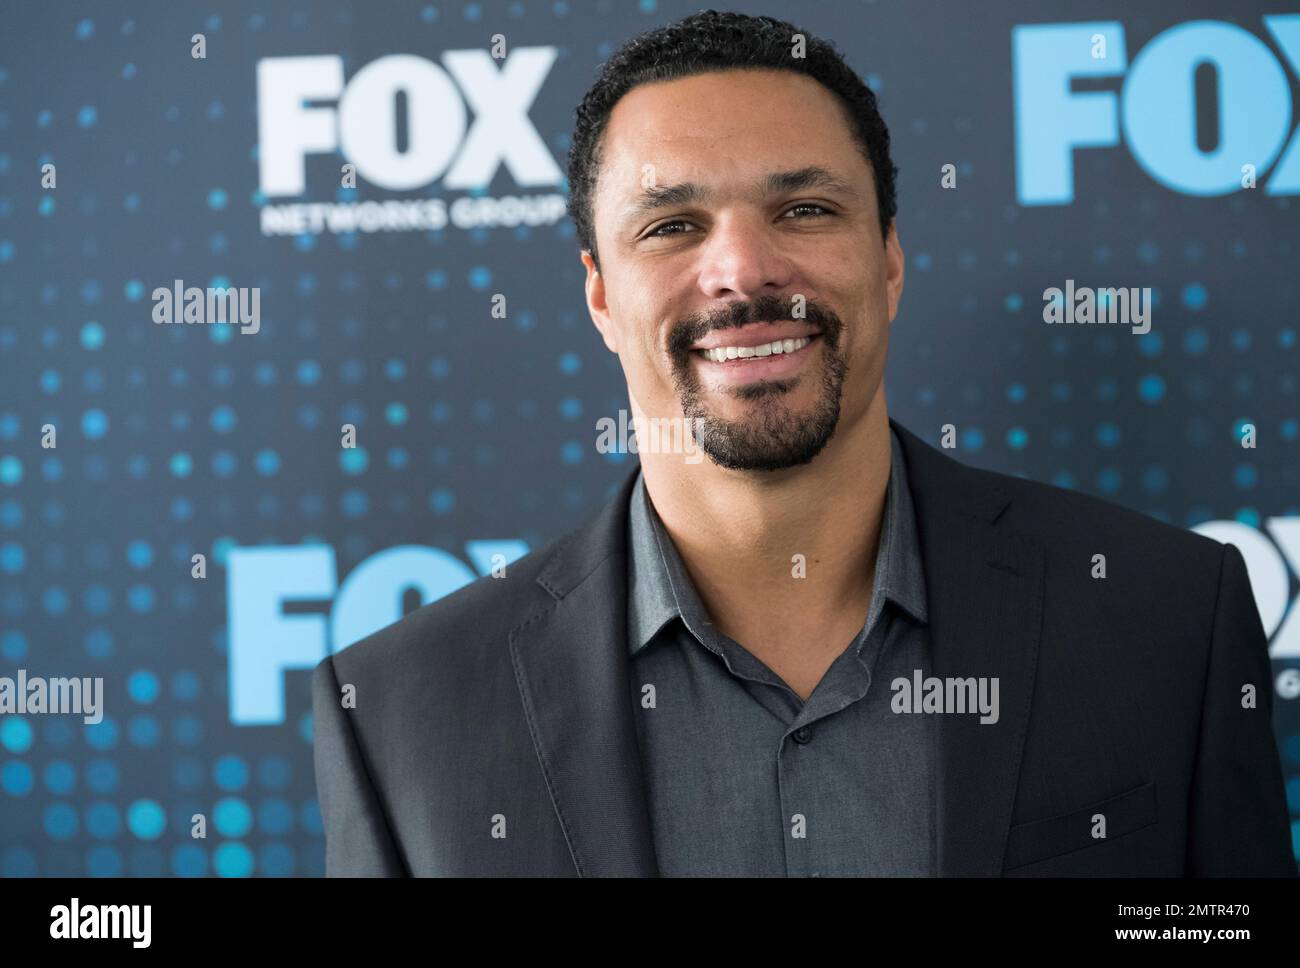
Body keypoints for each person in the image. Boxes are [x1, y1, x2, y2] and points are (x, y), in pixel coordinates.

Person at [312, 9, 1295, 876]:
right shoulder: (404, 715)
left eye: (804, 208)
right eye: (671, 224)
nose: (741, 268)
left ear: (889, 257)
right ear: (601, 294)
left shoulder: (1163, 622)